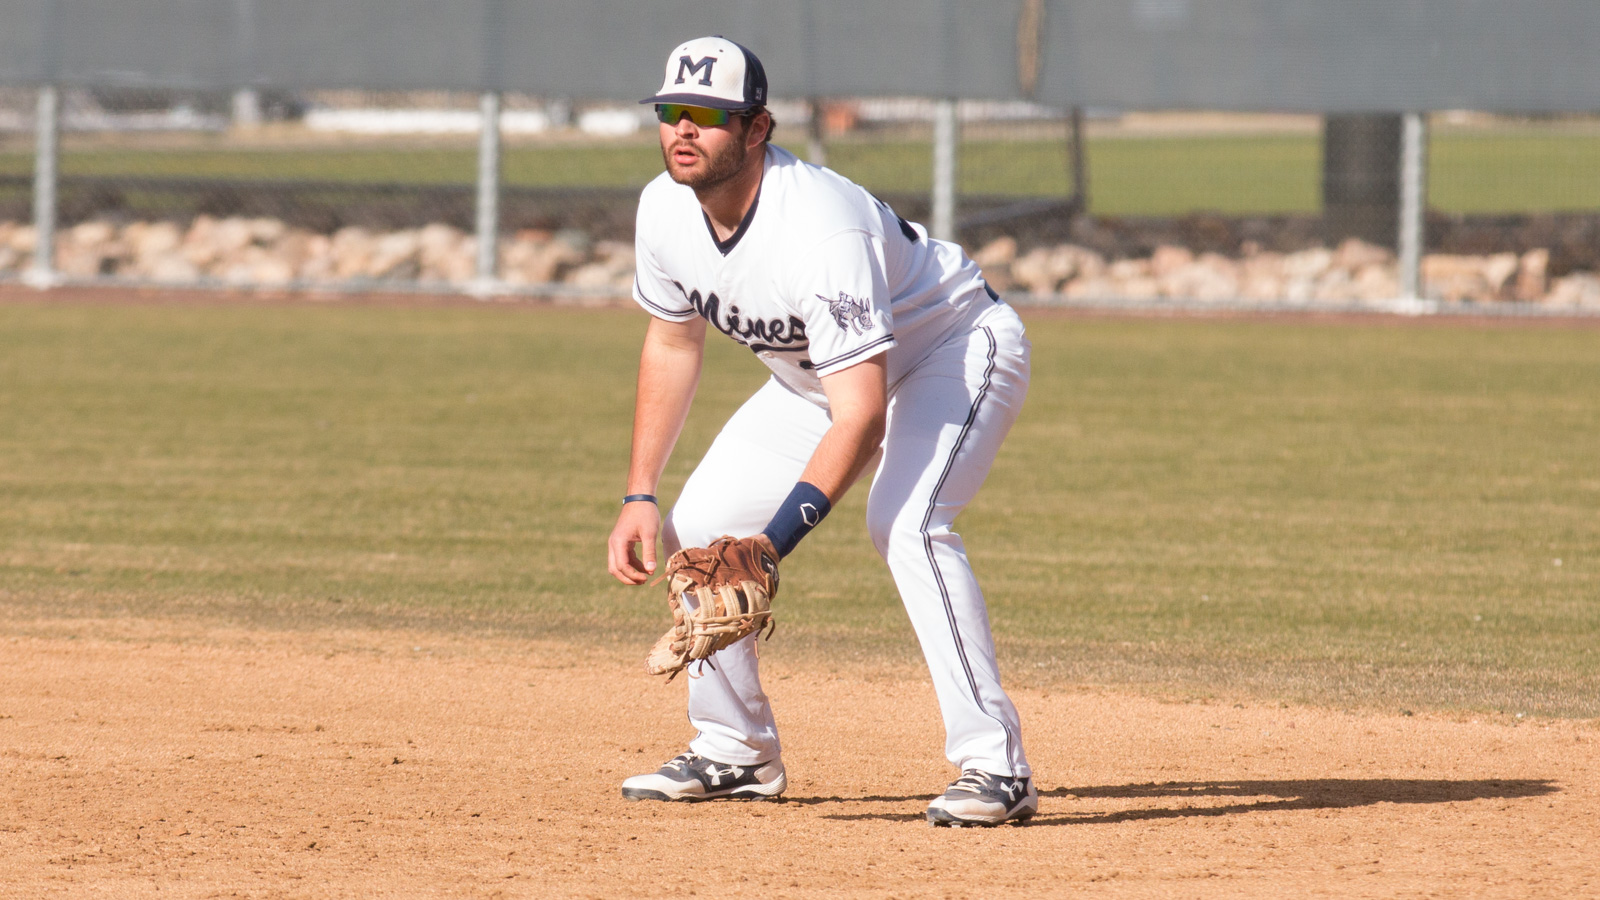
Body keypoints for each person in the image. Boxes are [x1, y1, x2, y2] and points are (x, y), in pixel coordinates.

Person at [605, 36, 1036, 827]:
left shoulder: (818, 228)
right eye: (672, 111)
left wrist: (772, 546)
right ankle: (735, 749)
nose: (684, 129)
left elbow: (862, 417)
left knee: (906, 522)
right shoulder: (662, 209)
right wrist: (639, 493)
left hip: (949, 350)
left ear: (758, 129)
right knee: (699, 526)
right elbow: (672, 342)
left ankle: (994, 765)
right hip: (818, 380)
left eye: (709, 114)